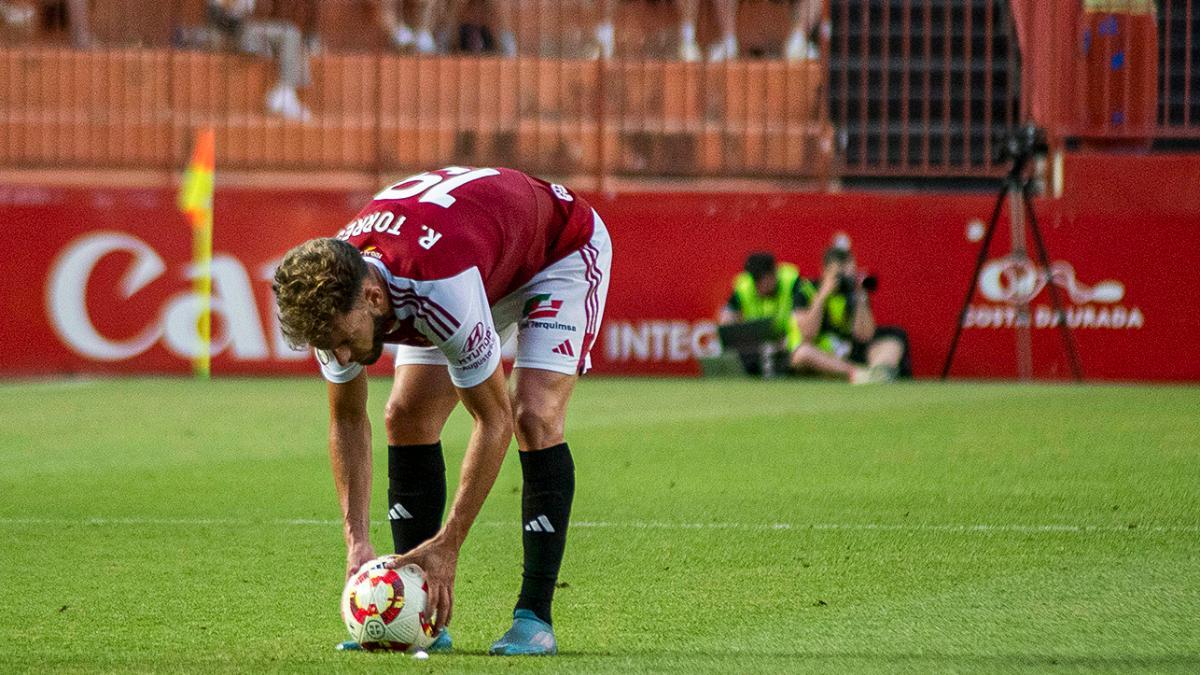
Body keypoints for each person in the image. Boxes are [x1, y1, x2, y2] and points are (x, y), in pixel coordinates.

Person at [272, 166, 612, 656]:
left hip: (557, 253)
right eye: (330, 346)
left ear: (372, 297)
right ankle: (422, 617)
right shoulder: (331, 301)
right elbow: (348, 419)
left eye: (346, 341)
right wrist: (357, 542)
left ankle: (534, 618)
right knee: (405, 416)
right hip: (477, 256)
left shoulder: (436, 287)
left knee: (530, 417)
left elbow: (490, 422)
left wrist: (449, 543)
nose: (341, 356)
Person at [790, 242, 909, 383]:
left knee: (893, 340)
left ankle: (878, 373)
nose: (844, 280)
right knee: (802, 353)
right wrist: (822, 296)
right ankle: (858, 374)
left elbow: (865, 336)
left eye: (849, 274)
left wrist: (860, 296)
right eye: (838, 275)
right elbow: (808, 333)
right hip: (822, 354)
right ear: (825, 271)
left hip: (850, 352)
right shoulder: (807, 290)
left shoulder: (855, 293)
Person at [206, 0, 311, 120]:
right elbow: (219, 15)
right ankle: (285, 95)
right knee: (290, 35)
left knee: (292, 33)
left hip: (248, 31)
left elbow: (251, 13)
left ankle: (286, 91)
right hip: (230, 34)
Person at [719, 252, 804, 374]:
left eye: (762, 280)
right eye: (755, 280)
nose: (758, 286)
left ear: (774, 273)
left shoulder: (792, 281)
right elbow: (727, 316)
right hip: (758, 349)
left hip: (789, 346)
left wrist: (787, 341)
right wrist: (730, 326)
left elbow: (804, 320)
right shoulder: (745, 285)